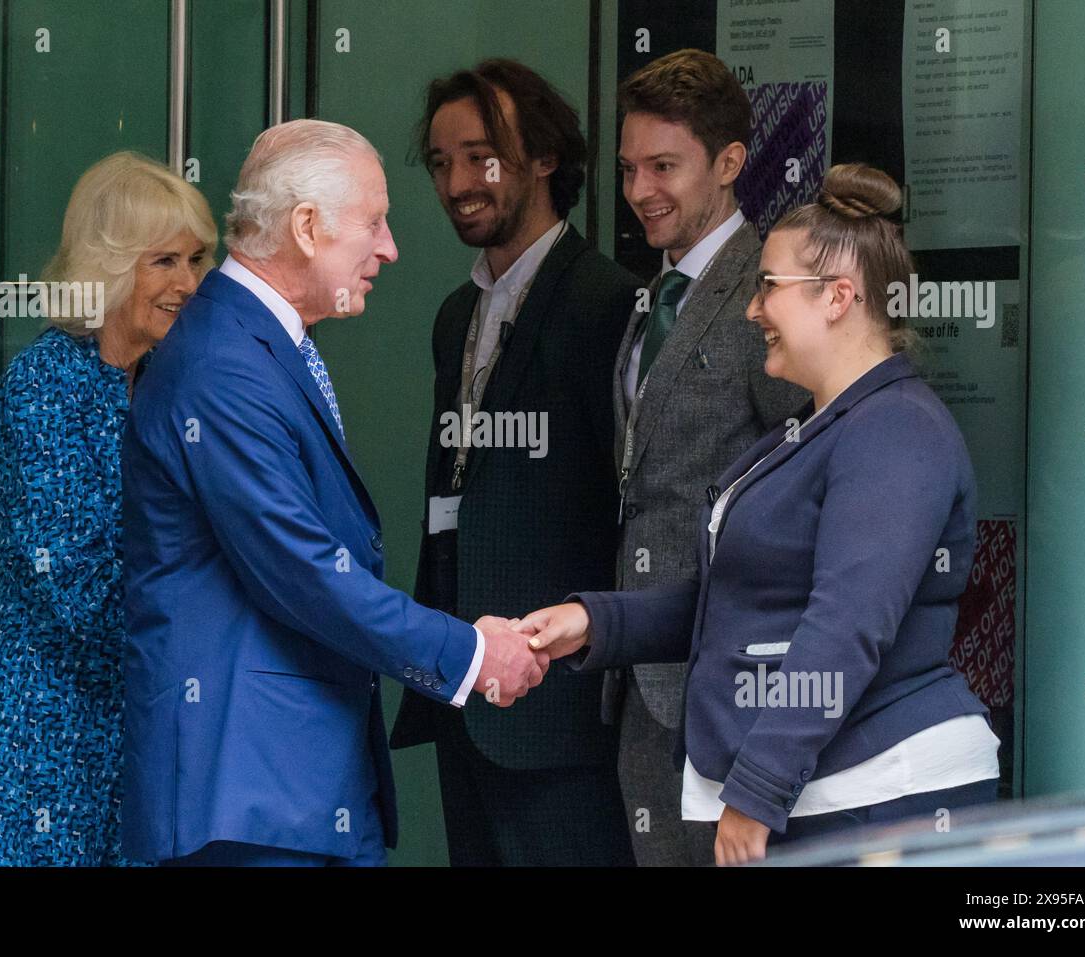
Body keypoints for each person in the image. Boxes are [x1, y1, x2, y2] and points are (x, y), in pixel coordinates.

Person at [518, 163, 1001, 866]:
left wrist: (757, 790)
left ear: (839, 297)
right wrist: (598, 621)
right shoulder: (825, 426)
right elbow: (740, 600)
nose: (752, 310)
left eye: (768, 287)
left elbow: (846, 626)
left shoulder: (896, 430)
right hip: (832, 790)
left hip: (885, 794)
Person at [120, 119, 548, 867]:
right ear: (308, 227)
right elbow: (303, 570)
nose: (389, 248)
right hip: (250, 797)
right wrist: (473, 652)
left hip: (290, 787)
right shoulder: (225, 363)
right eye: (375, 222)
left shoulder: (258, 343)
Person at [388, 59, 637, 866]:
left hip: (562, 718)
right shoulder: (453, 315)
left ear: (543, 158)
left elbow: (636, 510)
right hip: (463, 695)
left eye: (481, 155)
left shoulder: (610, 305)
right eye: (440, 161)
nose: (457, 180)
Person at [0, 152, 216, 866]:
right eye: (164, 262)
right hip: (48, 732)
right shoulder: (46, 386)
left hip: (141, 724)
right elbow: (77, 591)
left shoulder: (163, 383)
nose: (188, 283)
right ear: (109, 266)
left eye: (196, 259)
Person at [605, 48, 809, 865]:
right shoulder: (650, 296)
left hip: (731, 685)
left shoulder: (769, 291)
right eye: (628, 169)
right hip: (642, 681)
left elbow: (807, 483)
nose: (639, 191)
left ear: (729, 163)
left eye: (664, 166)